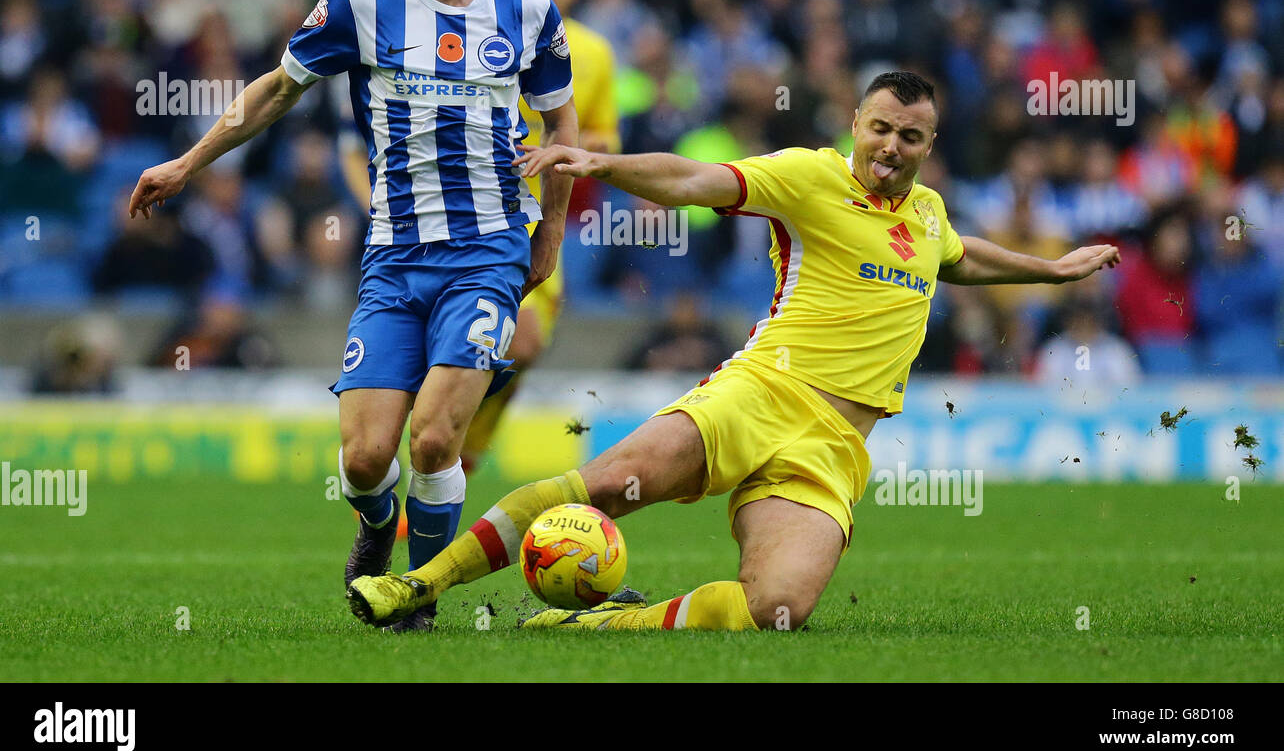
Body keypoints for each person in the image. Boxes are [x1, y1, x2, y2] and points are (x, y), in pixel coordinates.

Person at [346, 70, 1120, 632]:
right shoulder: (807, 176)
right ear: (856, 121)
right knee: (611, 481)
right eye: (880, 128)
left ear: (928, 144)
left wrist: (1049, 268)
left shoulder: (926, 213)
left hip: (834, 447)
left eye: (909, 136)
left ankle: (599, 626)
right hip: (760, 394)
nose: (890, 146)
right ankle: (419, 584)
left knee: (778, 609)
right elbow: (691, 181)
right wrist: (604, 167)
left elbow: (958, 258)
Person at [128, 0, 579, 632]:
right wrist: (189, 162)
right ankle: (376, 528)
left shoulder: (529, 10)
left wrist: (548, 238)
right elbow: (276, 90)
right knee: (368, 460)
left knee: (437, 438)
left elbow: (561, 122)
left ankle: (419, 594)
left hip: (488, 251)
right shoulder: (359, 1)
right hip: (395, 257)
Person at [339, 0, 619, 473]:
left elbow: (603, 137)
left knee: (527, 343)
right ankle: (432, 427)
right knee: (495, 339)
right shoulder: (496, 20)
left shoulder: (595, 53)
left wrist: (565, 150)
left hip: (535, 208)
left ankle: (465, 444)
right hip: (464, 205)